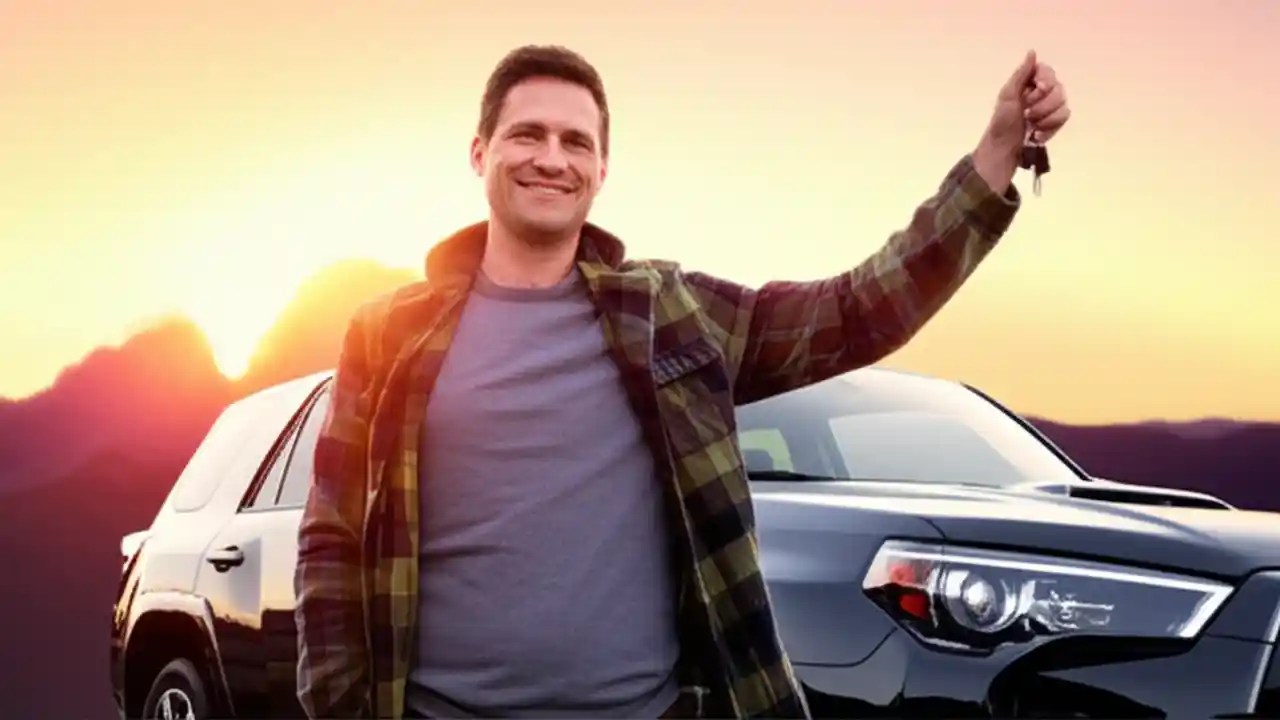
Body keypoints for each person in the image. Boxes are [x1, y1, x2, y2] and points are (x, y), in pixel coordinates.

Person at [293, 44, 1071, 720]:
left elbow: (856, 310)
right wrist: (336, 700)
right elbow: (329, 536)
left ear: (601, 169)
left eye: (575, 141)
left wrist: (997, 152)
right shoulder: (388, 332)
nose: (551, 158)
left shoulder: (669, 314)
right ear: (478, 153)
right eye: (525, 134)